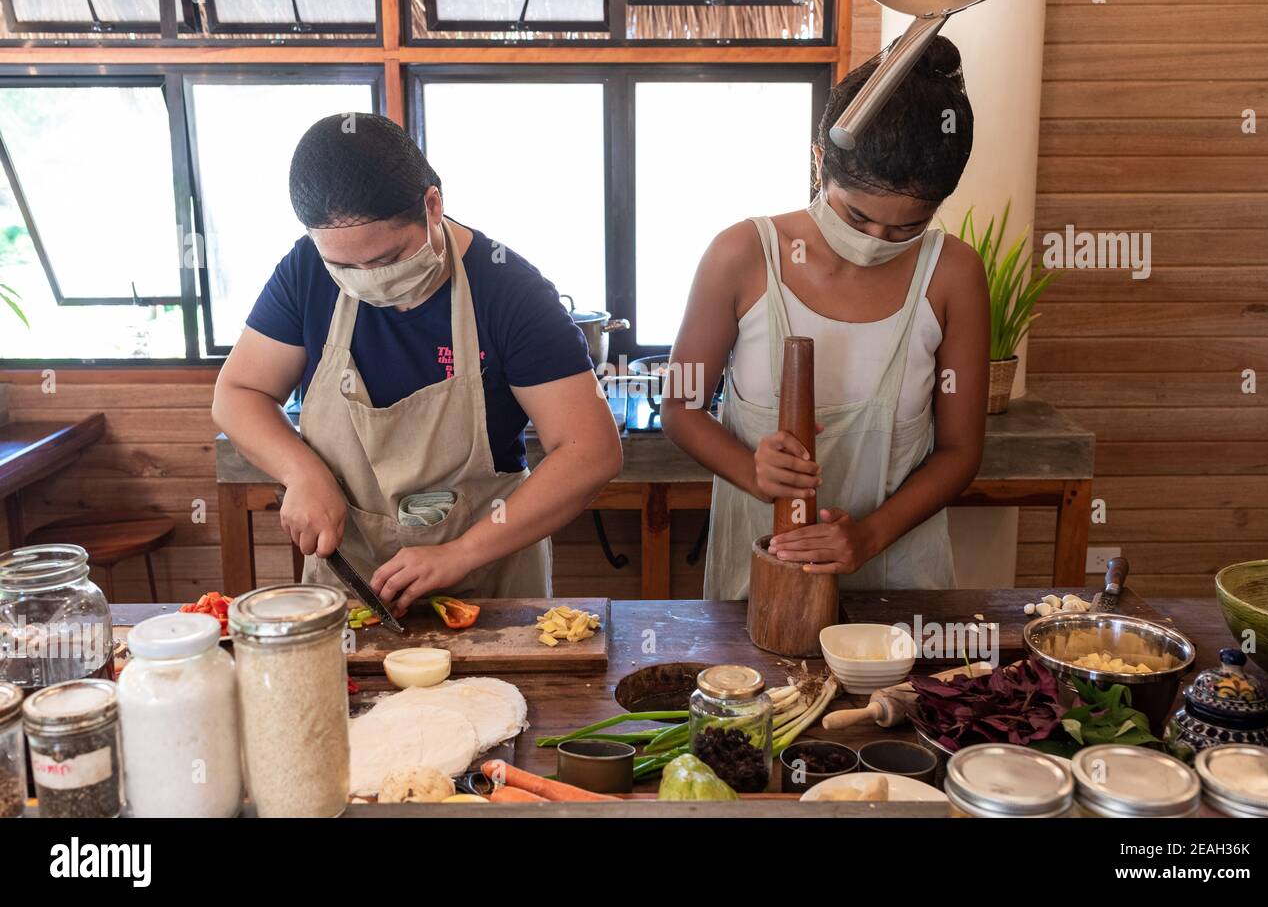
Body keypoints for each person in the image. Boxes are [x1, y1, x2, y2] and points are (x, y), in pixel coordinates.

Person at [212, 113, 621, 612]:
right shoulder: (304, 272)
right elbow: (239, 394)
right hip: (352, 582)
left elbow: (591, 450)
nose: (368, 280)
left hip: (489, 582)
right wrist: (301, 472)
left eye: (386, 259)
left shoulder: (510, 292)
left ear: (432, 204)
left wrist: (462, 552)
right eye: (344, 267)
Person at [661, 37, 989, 597]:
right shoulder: (742, 254)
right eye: (857, 216)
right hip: (763, 573)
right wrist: (753, 471)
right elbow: (680, 408)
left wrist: (867, 537)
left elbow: (961, 453)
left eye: (905, 228)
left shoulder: (952, 273)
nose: (874, 243)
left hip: (898, 580)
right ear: (819, 163)